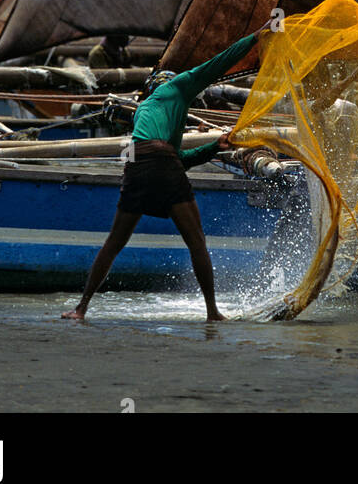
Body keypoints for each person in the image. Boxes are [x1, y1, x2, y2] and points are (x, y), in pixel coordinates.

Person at [62, 27, 264, 323]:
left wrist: (212, 147)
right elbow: (217, 64)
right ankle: (212, 312)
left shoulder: (147, 109)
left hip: (138, 164)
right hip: (161, 163)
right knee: (196, 243)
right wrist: (254, 38)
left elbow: (177, 158)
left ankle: (81, 309)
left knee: (114, 243)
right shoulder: (178, 87)